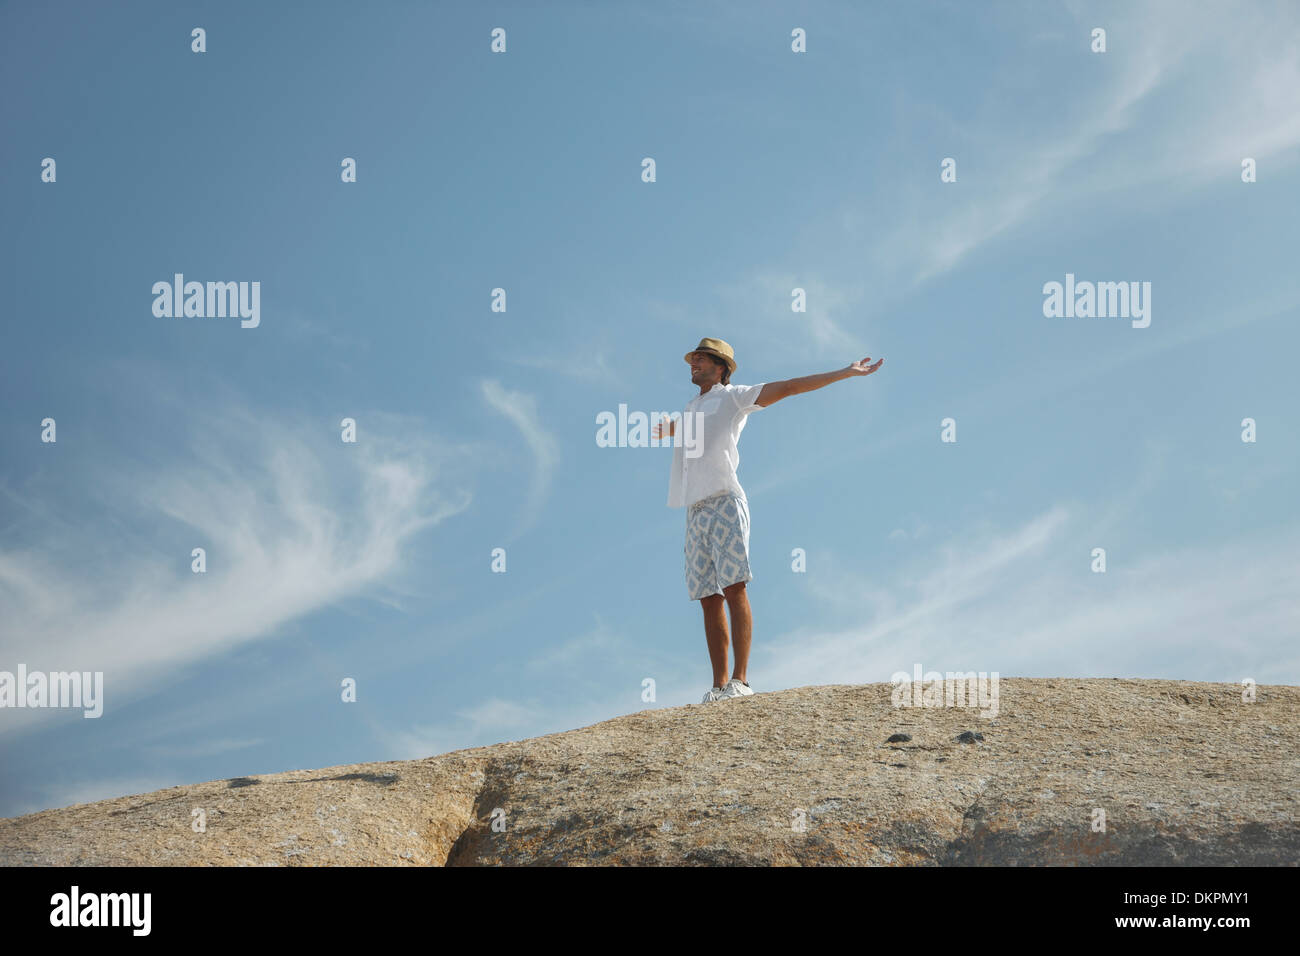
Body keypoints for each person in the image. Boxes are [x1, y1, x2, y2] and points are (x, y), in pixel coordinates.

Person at [654, 337, 884, 703]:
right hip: (695, 510)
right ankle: (718, 687)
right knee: (707, 597)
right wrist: (667, 429)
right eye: (692, 358)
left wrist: (845, 372)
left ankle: (741, 682)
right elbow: (682, 428)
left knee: (734, 587)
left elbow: (790, 387)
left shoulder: (734, 397)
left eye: (701, 357)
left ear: (721, 367)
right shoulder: (691, 408)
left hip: (726, 501)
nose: (692, 362)